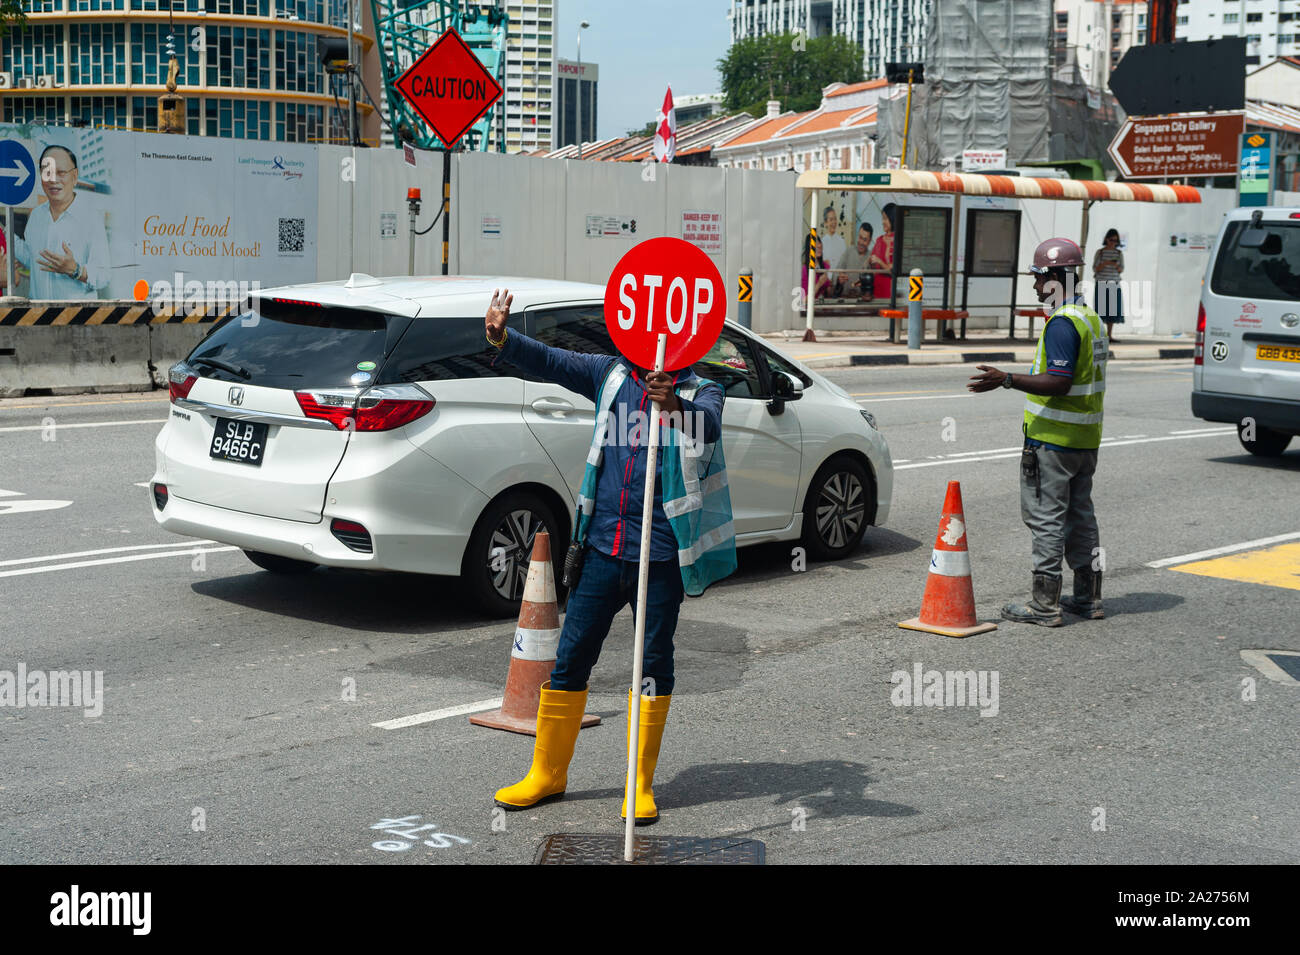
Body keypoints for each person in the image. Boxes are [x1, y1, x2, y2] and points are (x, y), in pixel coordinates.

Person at [484, 288, 735, 824]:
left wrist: (673, 405)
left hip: (660, 558)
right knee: (572, 659)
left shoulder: (703, 388)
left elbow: (706, 429)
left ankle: (639, 785)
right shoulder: (612, 374)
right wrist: (502, 336)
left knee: (652, 664)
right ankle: (547, 775)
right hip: (602, 548)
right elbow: (550, 361)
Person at [966, 237, 1107, 626]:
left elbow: (1058, 381)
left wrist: (1007, 379)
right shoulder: (1090, 318)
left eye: (1040, 278)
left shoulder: (1063, 323)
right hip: (1084, 440)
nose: (1035, 286)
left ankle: (1045, 605)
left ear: (1059, 276)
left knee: (1046, 517)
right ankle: (1087, 598)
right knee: (1081, 516)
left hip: (1054, 441)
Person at [0, 145, 110, 300]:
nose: (53, 180)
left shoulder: (90, 218)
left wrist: (75, 270)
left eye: (61, 173)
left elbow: (104, 275)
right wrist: (5, 231)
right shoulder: (37, 215)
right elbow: (33, 258)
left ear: (75, 176)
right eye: (47, 172)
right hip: (39, 317)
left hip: (76, 318)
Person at [1092, 228, 1124, 342]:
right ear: (1106, 239)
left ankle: (1109, 335)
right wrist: (1105, 263)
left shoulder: (1119, 253)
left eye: (1116, 241)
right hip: (1101, 283)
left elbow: (1121, 269)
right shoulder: (1100, 252)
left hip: (1114, 283)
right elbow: (1095, 269)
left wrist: (1115, 265)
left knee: (1112, 311)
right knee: (1100, 310)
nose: (1113, 243)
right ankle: (1100, 334)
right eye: (1111, 240)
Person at [836, 222, 875, 299]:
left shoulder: (871, 257)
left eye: (865, 240)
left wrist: (865, 284)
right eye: (860, 237)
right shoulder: (849, 251)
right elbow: (837, 271)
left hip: (862, 300)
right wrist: (839, 278)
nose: (861, 242)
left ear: (870, 241)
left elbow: (874, 283)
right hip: (845, 298)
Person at [870, 203, 897, 300]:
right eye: (882, 218)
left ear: (893, 218)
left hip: (890, 291)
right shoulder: (879, 240)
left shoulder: (900, 240)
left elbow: (894, 270)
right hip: (876, 290)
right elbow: (871, 265)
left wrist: (879, 262)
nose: (883, 222)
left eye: (885, 218)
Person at [820, 203, 848, 282]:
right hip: (825, 283)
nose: (834, 222)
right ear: (825, 223)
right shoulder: (821, 243)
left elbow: (844, 264)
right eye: (831, 220)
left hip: (838, 282)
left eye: (835, 219)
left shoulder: (841, 242)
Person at [802, 232, 832, 301]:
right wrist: (819, 284)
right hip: (811, 309)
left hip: (824, 308)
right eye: (815, 244)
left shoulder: (826, 266)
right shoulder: (804, 270)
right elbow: (804, 300)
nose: (819, 246)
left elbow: (830, 294)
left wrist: (834, 283)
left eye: (819, 242)